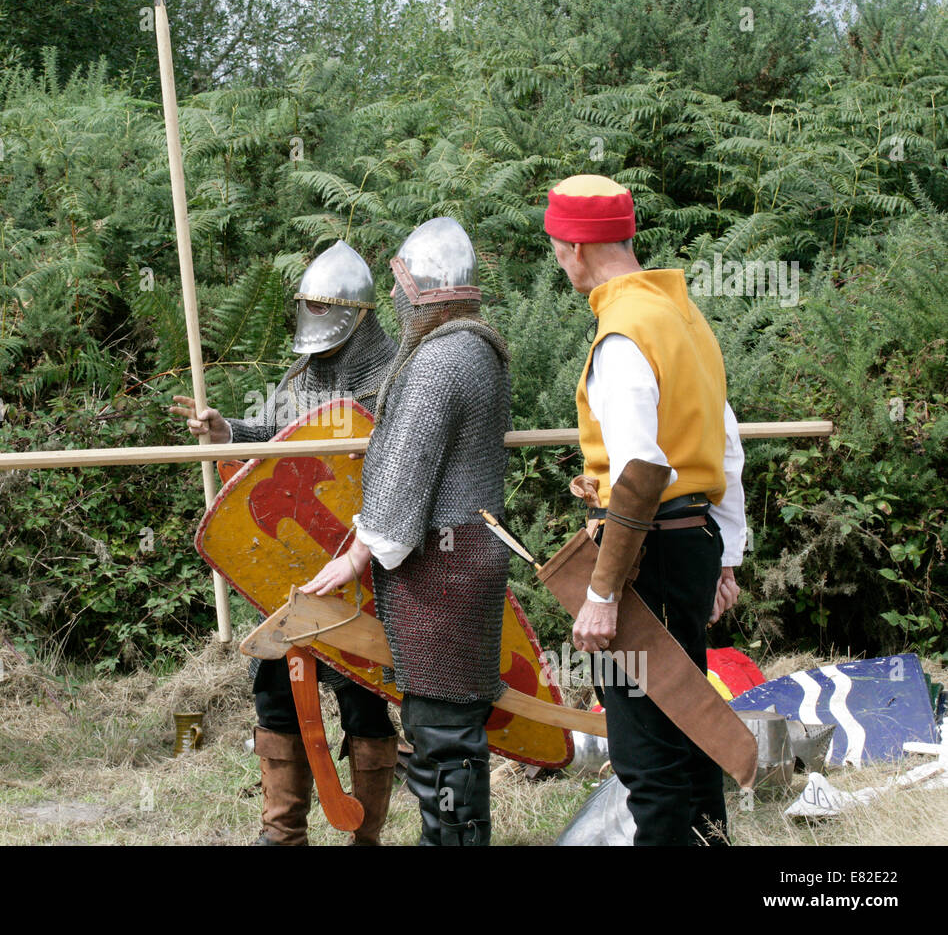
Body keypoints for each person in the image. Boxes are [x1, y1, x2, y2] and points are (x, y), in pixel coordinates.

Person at [171, 240, 401, 845]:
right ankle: (283, 834)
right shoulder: (301, 375)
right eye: (309, 309)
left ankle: (366, 837)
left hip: (360, 566)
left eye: (326, 310)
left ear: (358, 315)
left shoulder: (393, 378)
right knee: (275, 691)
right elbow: (272, 440)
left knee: (365, 700)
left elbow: (406, 467)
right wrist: (228, 431)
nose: (315, 323)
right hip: (290, 567)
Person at [542, 174, 748, 845]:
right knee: (691, 727)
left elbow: (637, 475)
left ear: (575, 246)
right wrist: (728, 553)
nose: (556, 256)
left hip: (642, 554)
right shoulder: (682, 315)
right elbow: (728, 445)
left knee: (646, 754)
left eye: (554, 244)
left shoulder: (623, 333)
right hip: (690, 545)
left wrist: (602, 592)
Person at [302, 217, 512, 846]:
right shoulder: (478, 349)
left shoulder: (440, 360)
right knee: (449, 733)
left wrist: (360, 553)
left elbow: (405, 463)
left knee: (443, 738)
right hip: (466, 557)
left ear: (414, 291)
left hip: (442, 569)